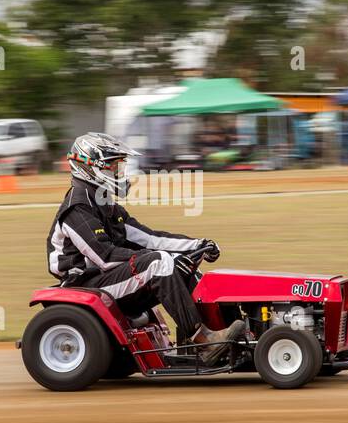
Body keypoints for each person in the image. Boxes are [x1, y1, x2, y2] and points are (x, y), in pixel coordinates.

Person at [46, 132, 245, 364]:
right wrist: (165, 257)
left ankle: (220, 332)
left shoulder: (104, 203)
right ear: (91, 168)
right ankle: (203, 341)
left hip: (106, 279)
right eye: (114, 166)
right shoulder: (77, 208)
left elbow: (148, 238)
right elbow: (106, 257)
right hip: (85, 284)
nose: (120, 172)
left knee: (185, 265)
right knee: (160, 262)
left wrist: (196, 245)